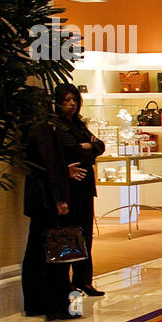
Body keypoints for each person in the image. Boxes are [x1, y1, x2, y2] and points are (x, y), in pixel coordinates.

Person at [21, 91, 84, 320]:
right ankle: (56, 305)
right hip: (47, 198)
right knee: (54, 253)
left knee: (36, 251)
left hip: (37, 197)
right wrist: (60, 199)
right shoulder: (44, 130)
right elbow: (50, 165)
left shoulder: (29, 128)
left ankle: (36, 303)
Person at [52, 84, 106, 297]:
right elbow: (73, 150)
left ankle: (83, 279)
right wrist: (86, 147)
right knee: (68, 233)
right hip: (69, 188)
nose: (71, 104)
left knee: (85, 234)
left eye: (74, 99)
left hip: (84, 187)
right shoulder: (57, 126)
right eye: (66, 100)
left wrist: (89, 147)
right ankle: (65, 281)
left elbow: (100, 146)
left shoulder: (78, 125)